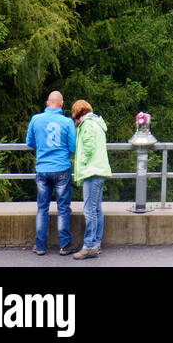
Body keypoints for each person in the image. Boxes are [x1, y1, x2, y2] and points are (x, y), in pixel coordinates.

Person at [25, 90, 77, 256]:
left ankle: (40, 246)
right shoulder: (67, 122)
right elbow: (73, 147)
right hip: (61, 169)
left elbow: (30, 142)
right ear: (61, 105)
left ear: (47, 103)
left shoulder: (36, 119)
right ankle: (64, 246)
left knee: (42, 208)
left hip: (42, 169)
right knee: (63, 208)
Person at [71, 99, 112, 259]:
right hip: (100, 171)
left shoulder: (87, 125)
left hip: (91, 171)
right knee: (96, 208)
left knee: (89, 210)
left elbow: (88, 148)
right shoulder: (97, 123)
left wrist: (80, 165)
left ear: (78, 113)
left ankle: (89, 246)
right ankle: (96, 243)